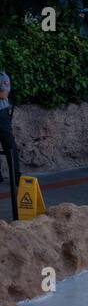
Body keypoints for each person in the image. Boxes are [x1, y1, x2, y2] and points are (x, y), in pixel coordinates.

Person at [0, 71, 17, 221]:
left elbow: (3, 95)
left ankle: (16, 175)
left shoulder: (2, 76)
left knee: (9, 145)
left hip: (1, 114)